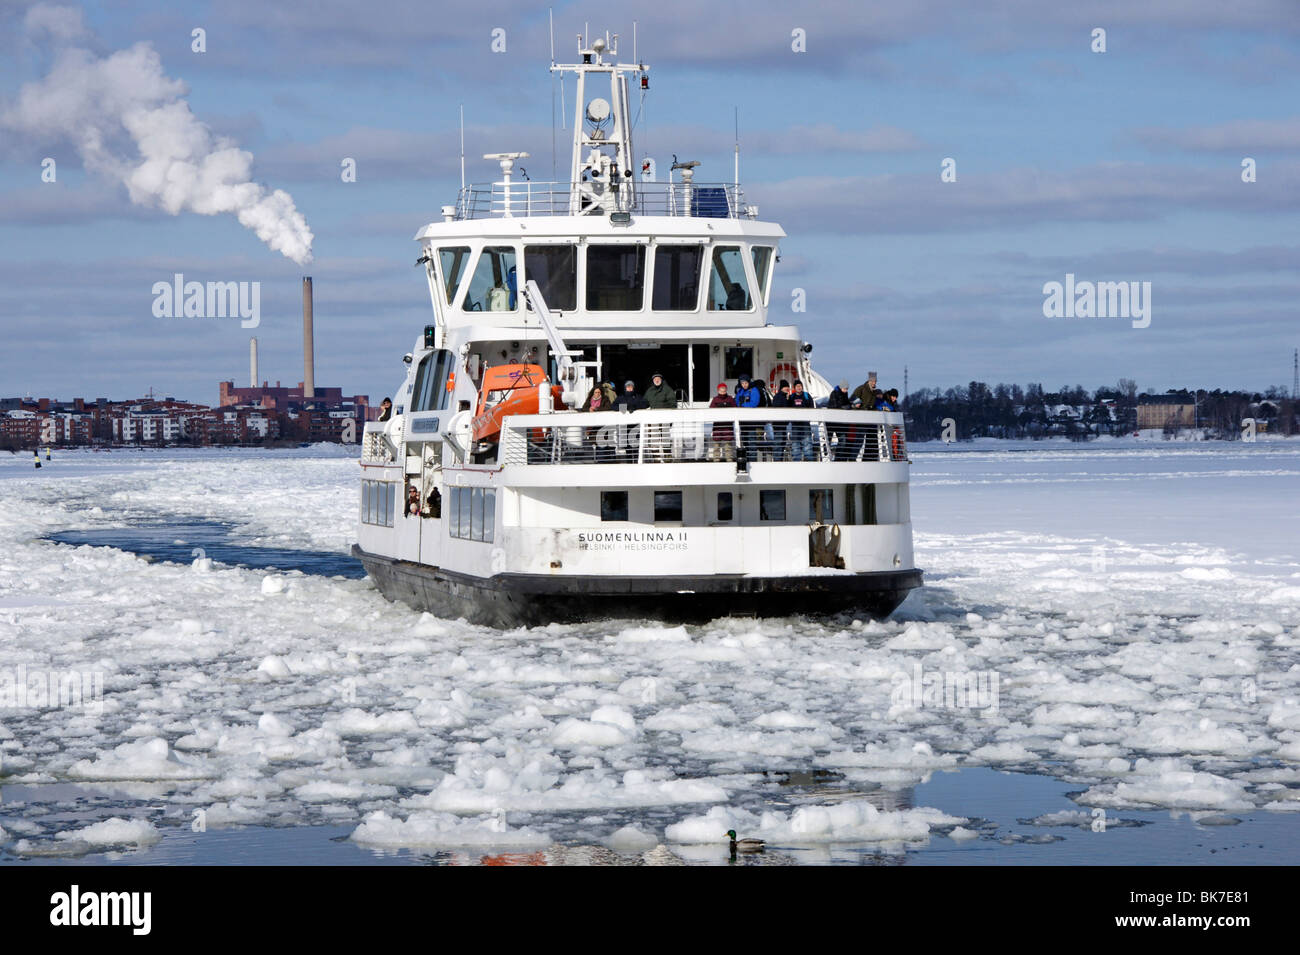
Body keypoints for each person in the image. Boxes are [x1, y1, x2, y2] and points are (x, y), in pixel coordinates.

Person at [643, 372, 675, 461]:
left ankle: (668, 458)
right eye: (655, 379)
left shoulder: (667, 390)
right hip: (654, 419)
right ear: (653, 380)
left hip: (665, 418)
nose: (657, 380)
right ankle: (656, 458)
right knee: (654, 439)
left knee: (665, 439)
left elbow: (673, 404)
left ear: (661, 380)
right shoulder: (649, 391)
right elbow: (644, 403)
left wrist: (671, 417)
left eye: (658, 379)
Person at [734, 374, 761, 458]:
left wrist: (743, 405)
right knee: (745, 441)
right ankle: (746, 460)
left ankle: (753, 460)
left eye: (745, 383)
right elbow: (736, 401)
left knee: (751, 441)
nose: (744, 385)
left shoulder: (754, 390)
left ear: (749, 382)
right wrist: (739, 404)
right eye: (742, 383)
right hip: (743, 420)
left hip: (751, 420)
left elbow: (754, 403)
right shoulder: (740, 391)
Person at [707, 383, 736, 460]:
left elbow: (735, 409)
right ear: (718, 390)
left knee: (728, 446)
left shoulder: (730, 399)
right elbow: (711, 410)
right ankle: (716, 460)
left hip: (727, 426)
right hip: (718, 426)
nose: (723, 392)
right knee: (716, 446)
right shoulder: (715, 399)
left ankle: (729, 460)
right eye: (721, 390)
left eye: (724, 390)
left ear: (726, 390)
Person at [788, 380, 815, 461]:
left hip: (805, 424)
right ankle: (796, 461)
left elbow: (811, 407)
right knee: (795, 444)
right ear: (794, 388)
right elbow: (788, 408)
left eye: (800, 386)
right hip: (795, 425)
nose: (799, 387)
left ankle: (809, 460)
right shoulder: (792, 397)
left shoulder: (807, 396)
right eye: (797, 386)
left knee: (807, 443)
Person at [827, 379, 851, 459]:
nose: (846, 390)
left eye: (847, 389)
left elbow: (847, 403)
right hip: (832, 422)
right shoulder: (834, 394)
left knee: (842, 440)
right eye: (845, 388)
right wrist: (843, 407)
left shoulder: (845, 394)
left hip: (840, 423)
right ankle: (827, 457)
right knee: (828, 440)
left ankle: (838, 458)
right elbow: (833, 406)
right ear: (841, 387)